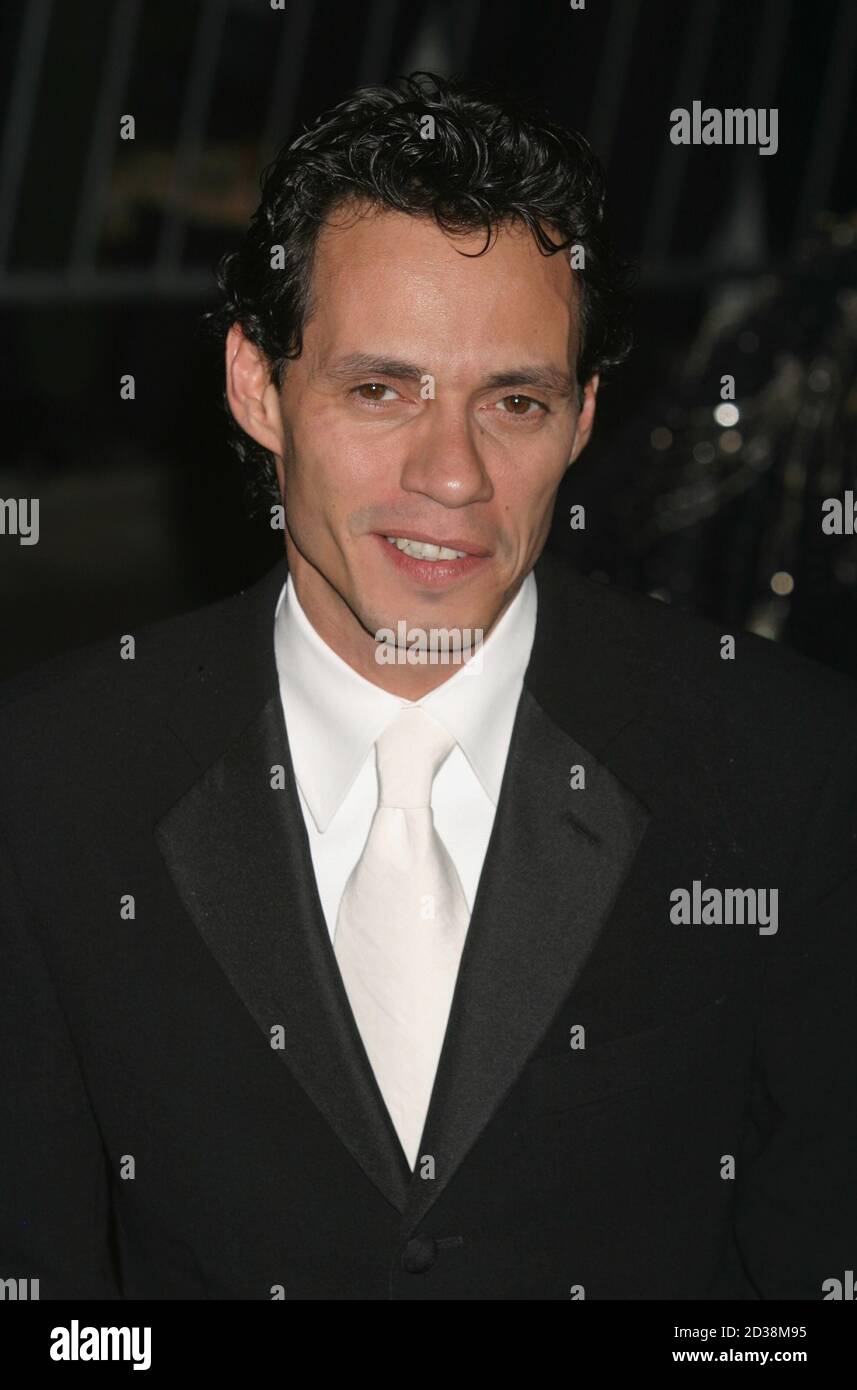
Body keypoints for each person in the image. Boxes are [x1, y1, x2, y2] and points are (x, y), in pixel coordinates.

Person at [1, 72, 855, 1301]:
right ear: (258, 389)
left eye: (512, 400)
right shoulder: (49, 779)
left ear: (579, 420)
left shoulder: (787, 765)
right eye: (380, 389)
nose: (450, 475)